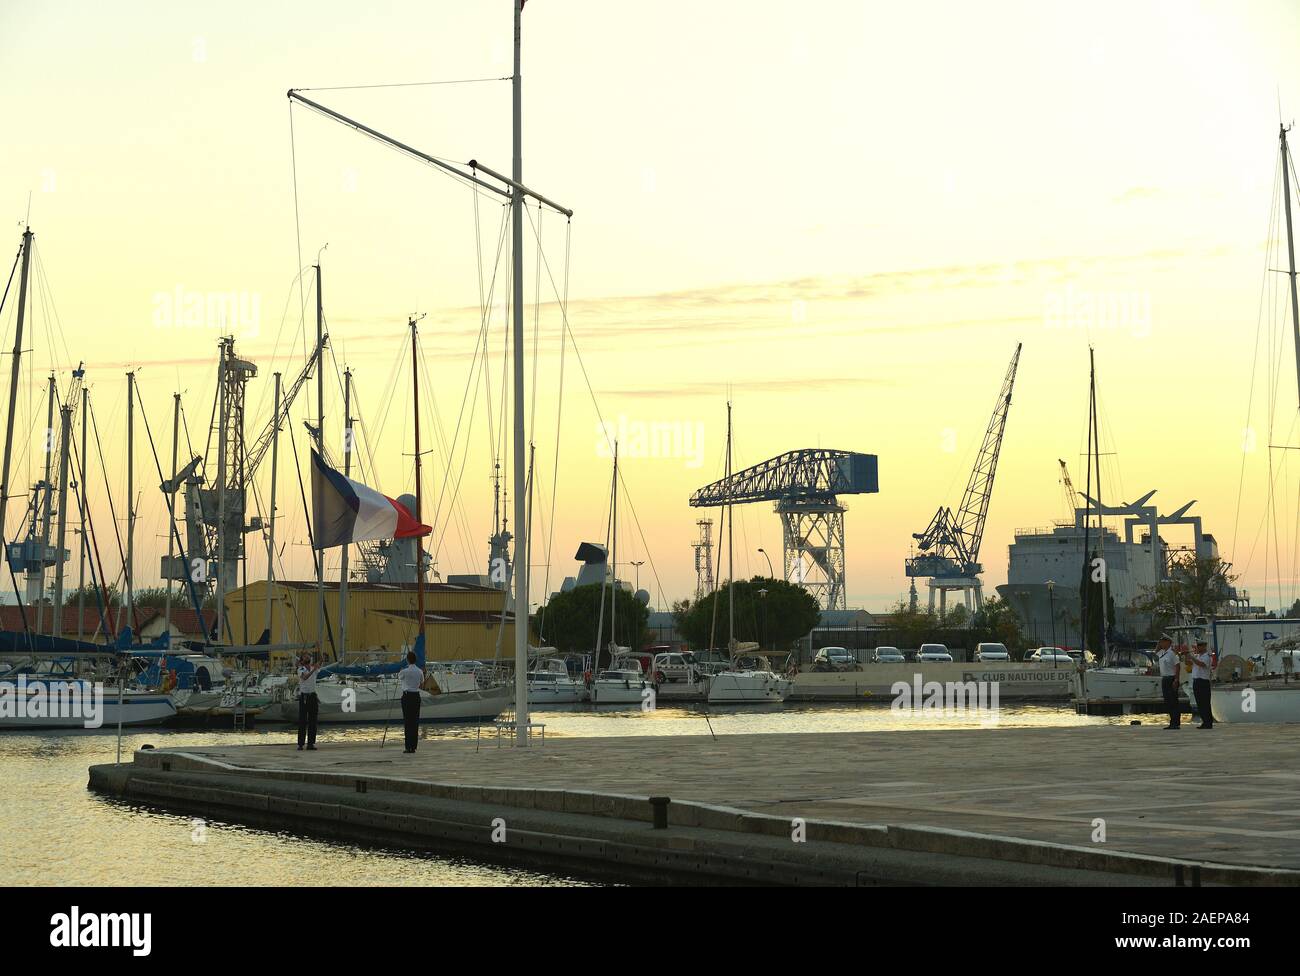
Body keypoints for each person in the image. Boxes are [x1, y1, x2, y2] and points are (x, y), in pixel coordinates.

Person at [397, 651, 424, 754]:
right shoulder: (419, 671)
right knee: (415, 721)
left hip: (407, 696)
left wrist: (401, 669)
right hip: (416, 696)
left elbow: (399, 677)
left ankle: (408, 747)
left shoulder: (404, 671)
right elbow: (421, 682)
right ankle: (414, 746)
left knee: (408, 722)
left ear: (407, 660)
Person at [1154, 636, 1181, 730]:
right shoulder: (1163, 652)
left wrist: (1176, 680)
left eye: (1163, 642)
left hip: (1171, 678)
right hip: (1165, 678)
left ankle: (1176, 723)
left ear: (1168, 642)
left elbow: (1177, 666)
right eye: (1161, 642)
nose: (1161, 644)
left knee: (1173, 701)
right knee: (1168, 702)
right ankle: (1172, 722)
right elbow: (1156, 651)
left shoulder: (1172, 653)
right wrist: (1159, 642)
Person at [1188, 639, 1215, 729]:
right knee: (1200, 703)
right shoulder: (1198, 656)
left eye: (1199, 646)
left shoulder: (1207, 656)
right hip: (1196, 681)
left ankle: (1208, 722)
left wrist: (1192, 657)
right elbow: (1189, 664)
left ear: (1204, 646)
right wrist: (1186, 657)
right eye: (1197, 646)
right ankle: (1204, 722)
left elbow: (1202, 664)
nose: (1198, 647)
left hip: (1203, 682)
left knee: (1205, 703)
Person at [297, 652, 321, 751]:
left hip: (312, 696)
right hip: (304, 697)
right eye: (305, 656)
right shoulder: (300, 669)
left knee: (313, 720)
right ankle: (301, 744)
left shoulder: (313, 668)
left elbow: (321, 660)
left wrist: (318, 647)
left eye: (309, 656)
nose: (308, 657)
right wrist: (313, 670)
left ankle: (311, 743)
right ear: (302, 659)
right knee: (302, 720)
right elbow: (305, 677)